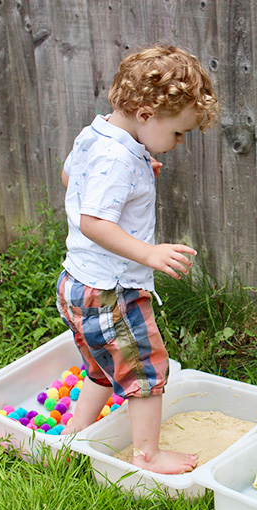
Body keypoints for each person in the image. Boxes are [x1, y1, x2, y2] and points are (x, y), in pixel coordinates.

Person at [55, 44, 219, 474]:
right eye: (179, 133)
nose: (179, 144)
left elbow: (72, 177)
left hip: (77, 286)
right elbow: (93, 220)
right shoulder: (117, 157)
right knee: (146, 372)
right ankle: (149, 454)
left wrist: (136, 176)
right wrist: (149, 252)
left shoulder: (97, 135)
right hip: (113, 291)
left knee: (101, 369)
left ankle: (76, 435)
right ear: (146, 114)